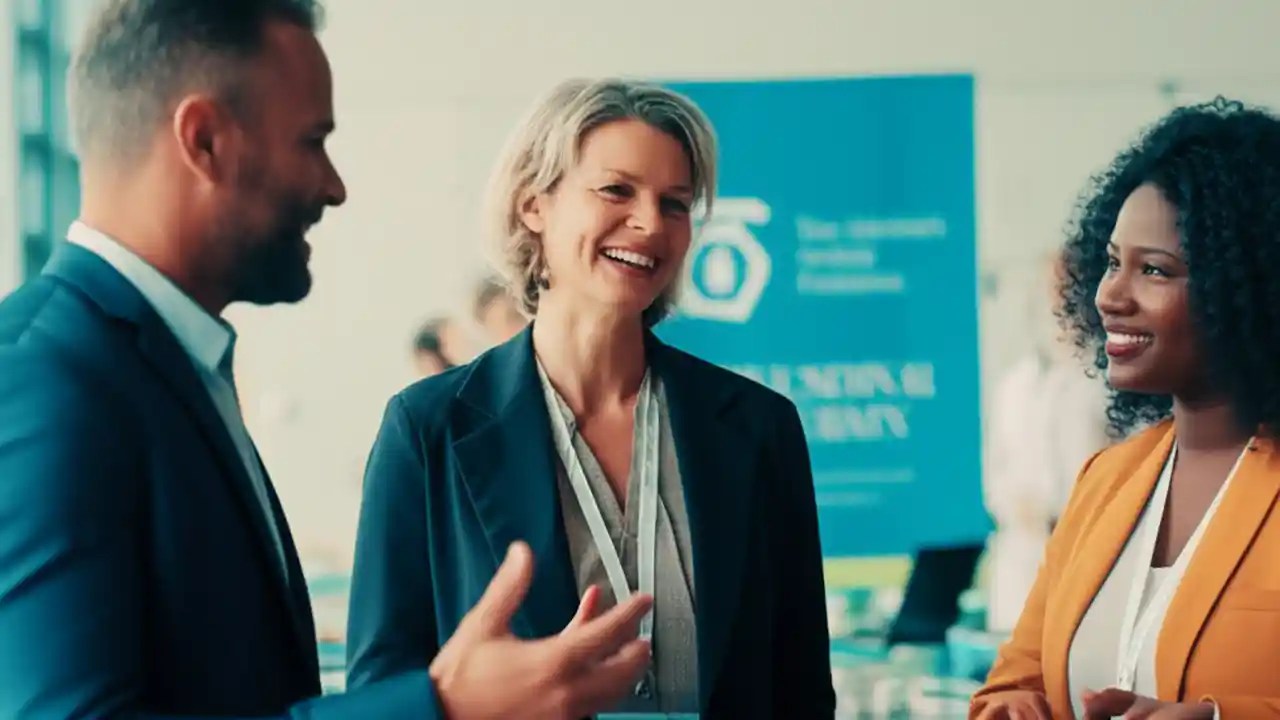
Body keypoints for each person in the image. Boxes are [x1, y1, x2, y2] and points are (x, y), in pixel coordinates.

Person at [0, 2, 653, 718]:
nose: (333, 186)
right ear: (205, 139)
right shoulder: (46, 380)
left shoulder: (167, 366)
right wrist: (440, 706)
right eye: (312, 142)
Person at [345, 78, 836, 718]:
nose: (649, 223)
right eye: (616, 190)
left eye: (677, 203)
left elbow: (798, 686)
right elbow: (383, 692)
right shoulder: (426, 429)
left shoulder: (758, 426)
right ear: (534, 204)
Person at [971, 97, 1280, 720]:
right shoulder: (1106, 481)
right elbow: (1012, 678)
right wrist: (1010, 707)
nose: (1110, 295)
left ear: (1250, 286)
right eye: (1112, 263)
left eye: (1155, 271)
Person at [982, 253, 1112, 633]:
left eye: (1063, 288)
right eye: (1047, 290)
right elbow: (996, 479)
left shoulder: (1104, 381)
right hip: (1021, 566)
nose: (1053, 301)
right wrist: (1024, 511)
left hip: (1088, 562)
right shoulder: (1014, 386)